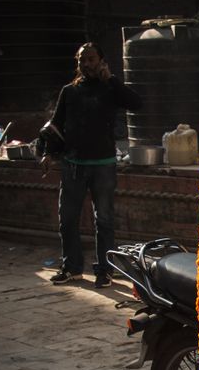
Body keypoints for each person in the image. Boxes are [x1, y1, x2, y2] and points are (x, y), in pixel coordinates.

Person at [46, 43, 141, 288]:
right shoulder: (69, 91)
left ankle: (105, 271)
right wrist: (48, 153)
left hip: (103, 165)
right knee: (67, 219)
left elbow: (136, 103)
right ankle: (72, 268)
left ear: (101, 61)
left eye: (90, 59)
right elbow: (56, 124)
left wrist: (113, 81)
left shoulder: (110, 87)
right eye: (81, 60)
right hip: (73, 164)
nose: (86, 64)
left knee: (105, 220)